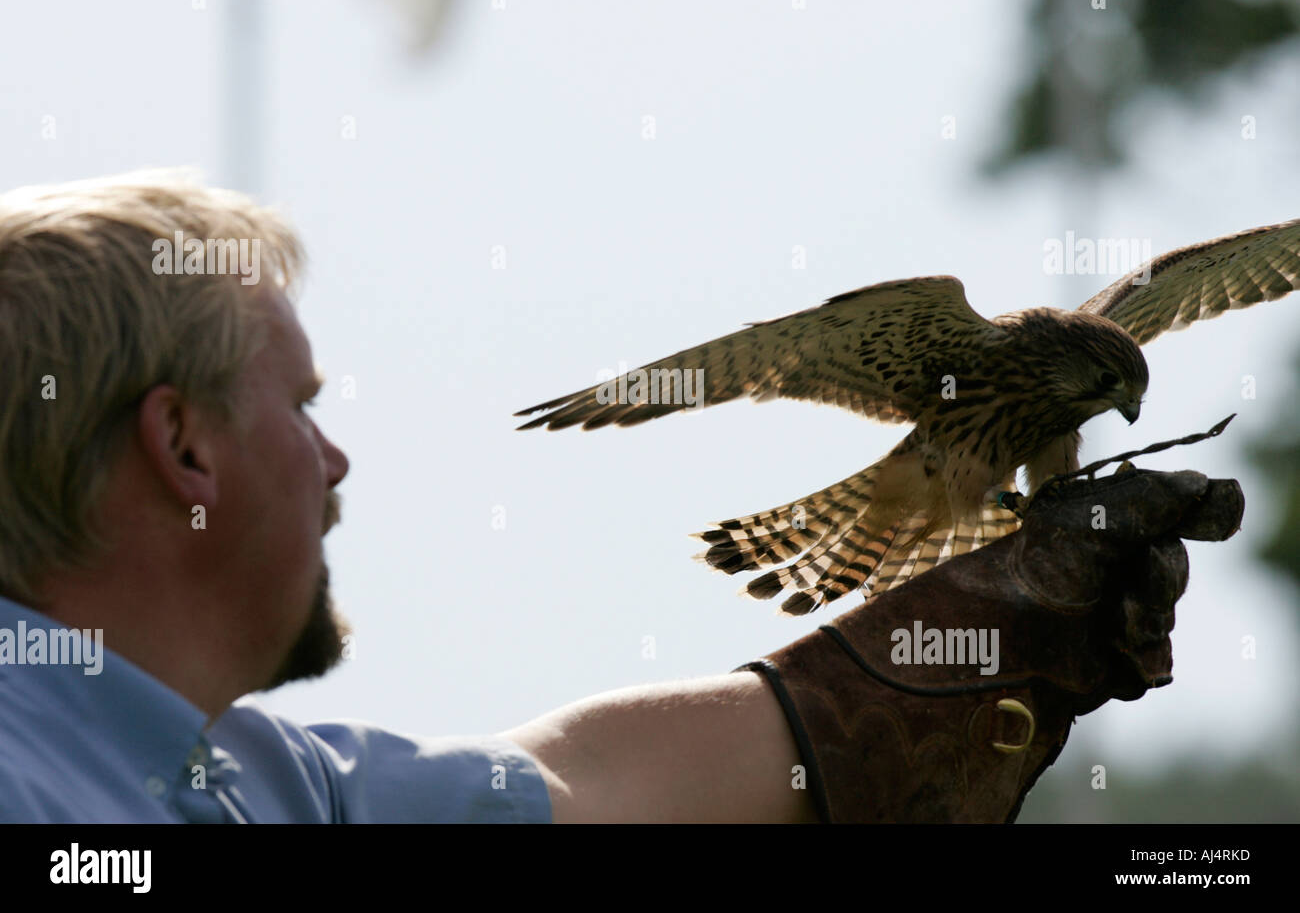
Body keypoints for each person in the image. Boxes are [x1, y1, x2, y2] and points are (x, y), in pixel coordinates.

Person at [0, 171, 1242, 823]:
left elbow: (579, 793)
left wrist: (972, 639)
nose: (337, 462)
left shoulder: (276, 790)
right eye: (303, 407)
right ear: (185, 446)